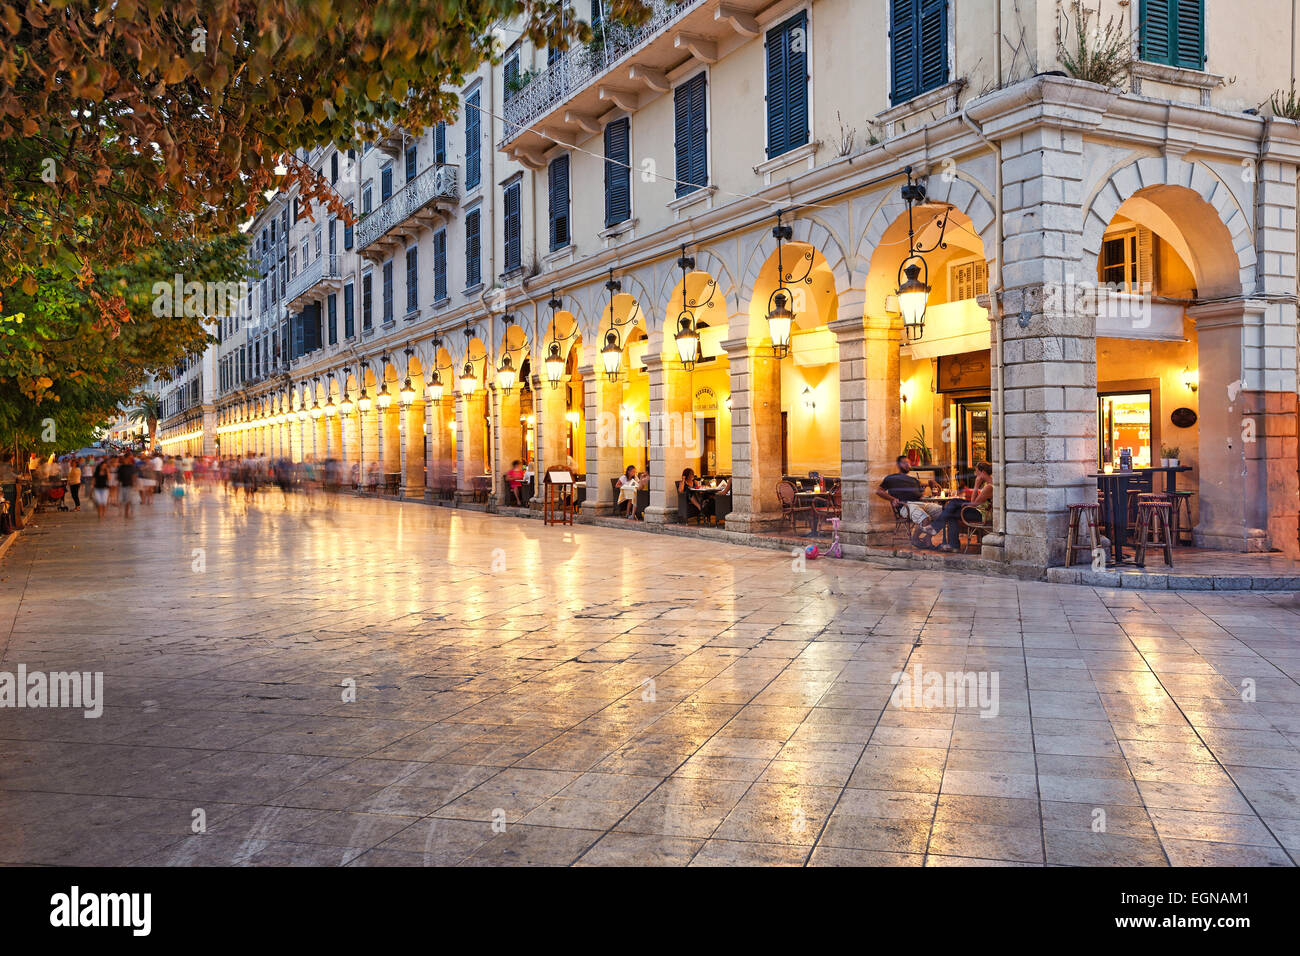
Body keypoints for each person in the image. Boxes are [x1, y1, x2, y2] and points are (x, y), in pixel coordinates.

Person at [925, 461, 994, 552]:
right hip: (979, 510)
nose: (975, 474)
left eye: (976, 471)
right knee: (952, 505)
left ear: (983, 473)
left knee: (950, 509)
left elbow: (973, 503)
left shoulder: (989, 487)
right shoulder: (987, 484)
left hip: (982, 514)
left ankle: (949, 541)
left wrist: (976, 484)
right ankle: (948, 540)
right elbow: (974, 502)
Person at [117, 453, 139, 519]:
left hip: (130, 485)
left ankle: (127, 513)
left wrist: (135, 484)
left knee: (128, 500)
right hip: (123, 485)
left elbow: (134, 476)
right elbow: (118, 476)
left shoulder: (132, 467)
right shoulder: (121, 467)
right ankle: (127, 512)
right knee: (125, 500)